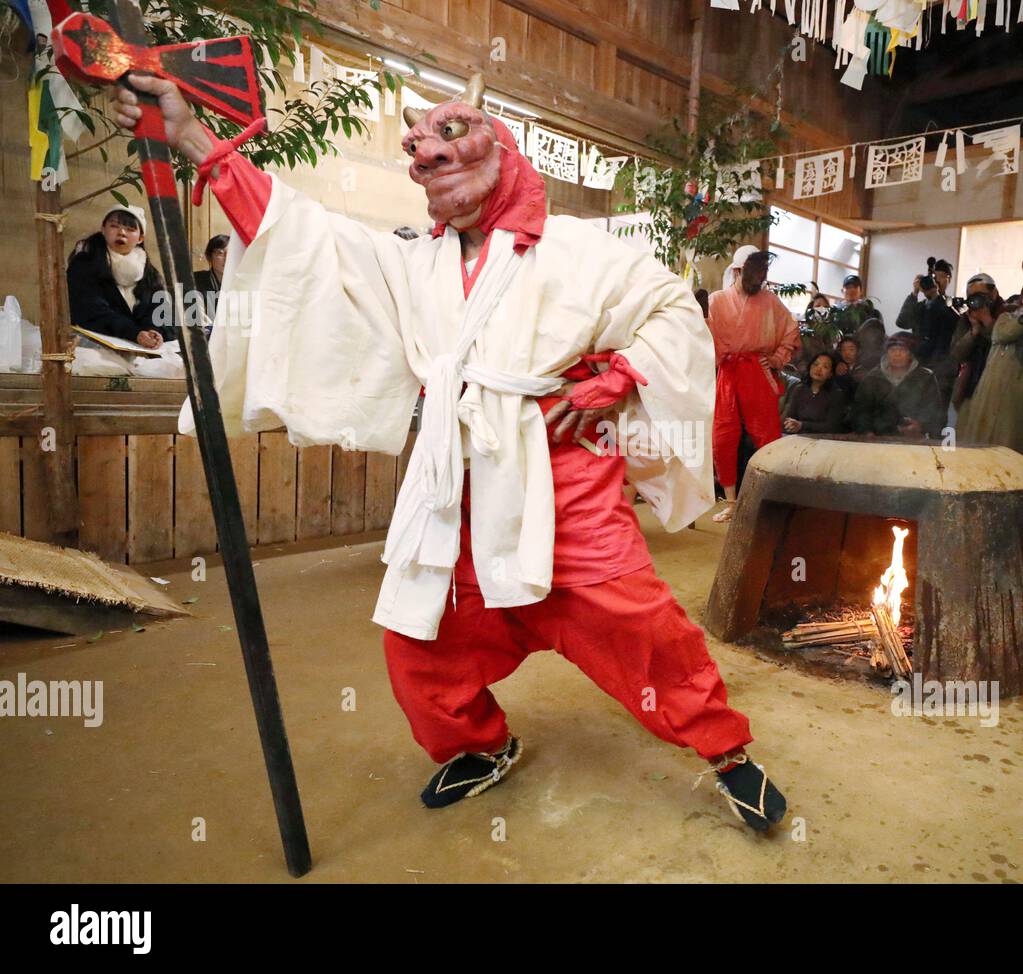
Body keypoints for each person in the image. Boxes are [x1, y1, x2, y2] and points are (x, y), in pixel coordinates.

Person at [111, 72, 787, 832]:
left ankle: (727, 752)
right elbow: (304, 240)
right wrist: (194, 139)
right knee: (419, 636)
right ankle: (480, 744)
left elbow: (670, 313)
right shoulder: (415, 261)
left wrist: (618, 377)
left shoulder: (580, 250)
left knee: (643, 627)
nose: (428, 159)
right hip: (452, 480)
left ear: (507, 154)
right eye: (422, 157)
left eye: (452, 141)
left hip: (563, 475)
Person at [707, 245, 800, 524]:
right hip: (727, 371)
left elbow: (791, 331)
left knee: (767, 436)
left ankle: (769, 499)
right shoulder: (716, 300)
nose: (760, 276)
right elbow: (702, 337)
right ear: (737, 271)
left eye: (763, 271)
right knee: (723, 436)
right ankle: (732, 502)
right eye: (755, 270)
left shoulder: (771, 301)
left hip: (757, 370)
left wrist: (777, 358)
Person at [960, 276, 1023, 460]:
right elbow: (1002, 334)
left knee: (1010, 444)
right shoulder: (1007, 316)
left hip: (1019, 392)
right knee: (980, 442)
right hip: (990, 388)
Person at [66, 205, 171, 348]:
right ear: (103, 229)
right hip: (94, 345)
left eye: (130, 229)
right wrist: (134, 333)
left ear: (140, 238)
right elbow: (91, 311)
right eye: (114, 226)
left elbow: (160, 310)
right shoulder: (84, 264)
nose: (121, 233)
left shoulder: (149, 273)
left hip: (140, 348)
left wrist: (154, 331)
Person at [849, 332, 945, 439]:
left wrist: (921, 426)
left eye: (903, 350)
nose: (897, 354)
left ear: (910, 354)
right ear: (887, 353)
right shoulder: (872, 378)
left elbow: (936, 413)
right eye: (893, 350)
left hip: (915, 441)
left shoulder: (925, 377)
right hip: (879, 440)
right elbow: (860, 411)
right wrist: (866, 432)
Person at [945, 274, 1003, 424]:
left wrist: (987, 321)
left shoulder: (1007, 313)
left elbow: (1005, 345)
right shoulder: (966, 318)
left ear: (994, 294)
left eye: (980, 296)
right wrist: (974, 331)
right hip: (970, 385)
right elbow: (956, 354)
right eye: (971, 297)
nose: (976, 300)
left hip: (999, 387)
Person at [781, 352, 846, 434]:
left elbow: (831, 427)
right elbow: (790, 417)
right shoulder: (799, 389)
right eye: (815, 364)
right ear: (810, 367)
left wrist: (802, 425)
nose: (819, 369)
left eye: (825, 367)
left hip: (824, 439)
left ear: (830, 374)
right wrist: (790, 424)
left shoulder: (836, 394)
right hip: (798, 437)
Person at [193, 233, 228, 335]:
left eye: (231, 254)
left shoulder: (241, 282)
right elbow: (201, 324)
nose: (226, 259)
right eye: (220, 253)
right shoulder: (196, 281)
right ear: (209, 256)